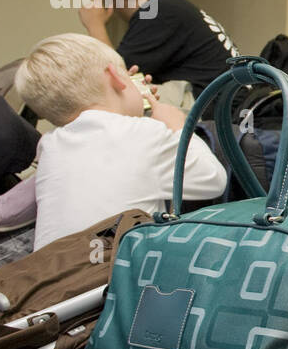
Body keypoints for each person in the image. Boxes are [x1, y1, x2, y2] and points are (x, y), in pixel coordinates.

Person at [14, 33, 227, 250]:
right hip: (115, 279)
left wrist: (127, 101)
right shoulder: (146, 133)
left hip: (55, 276)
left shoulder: (50, 146)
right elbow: (213, 180)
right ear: (115, 76)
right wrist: (179, 127)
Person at [79, 0, 241, 108]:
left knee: (123, 100)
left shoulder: (158, 13)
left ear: (110, 0)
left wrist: (95, 25)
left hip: (220, 107)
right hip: (229, 101)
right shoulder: (168, 6)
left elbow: (116, 79)